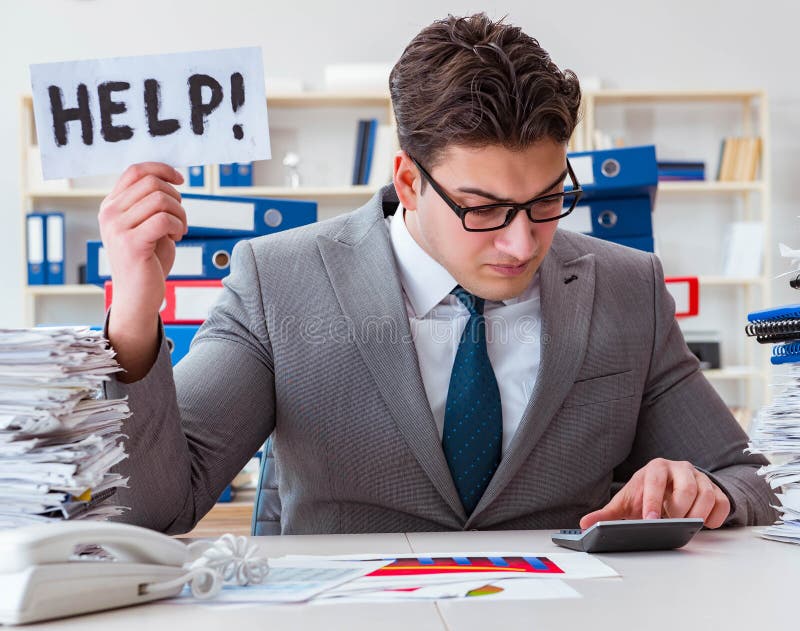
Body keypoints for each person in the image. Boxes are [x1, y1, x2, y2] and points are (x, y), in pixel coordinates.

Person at [99, 13, 776, 534]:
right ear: (409, 181)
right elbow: (160, 506)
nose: (521, 241)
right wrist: (133, 312)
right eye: (482, 208)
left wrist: (705, 491)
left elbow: (749, 478)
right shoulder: (279, 280)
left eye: (546, 200)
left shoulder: (629, 287)